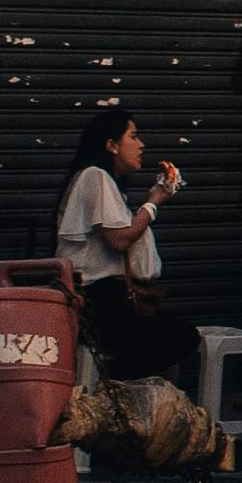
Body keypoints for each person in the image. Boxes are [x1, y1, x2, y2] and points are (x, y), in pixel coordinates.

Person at [55, 104, 189, 382]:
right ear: (112, 145)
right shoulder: (95, 176)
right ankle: (115, 389)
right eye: (134, 137)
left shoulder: (108, 184)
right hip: (94, 301)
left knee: (178, 334)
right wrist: (154, 202)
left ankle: (118, 388)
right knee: (179, 337)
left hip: (109, 298)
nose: (141, 145)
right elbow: (119, 239)